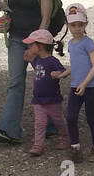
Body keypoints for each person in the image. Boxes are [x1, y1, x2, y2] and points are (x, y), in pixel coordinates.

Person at [0, 0, 56, 145]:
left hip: (38, 43)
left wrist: (36, 46)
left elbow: (45, 19)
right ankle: (8, 130)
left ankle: (53, 124)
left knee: (45, 82)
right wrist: (2, 17)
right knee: (15, 83)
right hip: (16, 39)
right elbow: (8, 9)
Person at [62, 3, 94, 162]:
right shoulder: (71, 44)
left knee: (91, 117)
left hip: (91, 87)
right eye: (73, 25)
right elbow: (76, 65)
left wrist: (85, 84)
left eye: (80, 24)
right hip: (76, 87)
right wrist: (63, 74)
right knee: (70, 117)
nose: (77, 28)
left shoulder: (88, 42)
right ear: (67, 25)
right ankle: (75, 148)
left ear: (85, 24)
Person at [23, 29, 67, 157]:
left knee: (59, 121)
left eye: (32, 45)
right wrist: (28, 57)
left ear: (40, 46)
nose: (29, 47)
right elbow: (31, 61)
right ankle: (38, 145)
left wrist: (57, 74)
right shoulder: (37, 60)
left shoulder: (52, 61)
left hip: (53, 99)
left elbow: (63, 72)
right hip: (38, 99)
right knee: (39, 123)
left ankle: (66, 137)